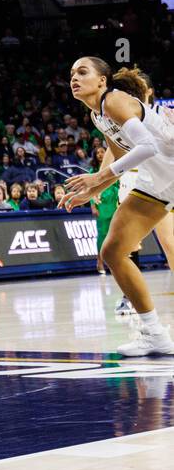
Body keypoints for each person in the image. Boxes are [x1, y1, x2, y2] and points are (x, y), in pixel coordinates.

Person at [61, 58, 174, 356]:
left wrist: (99, 177)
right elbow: (122, 159)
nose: (74, 77)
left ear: (102, 80)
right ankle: (154, 333)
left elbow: (147, 146)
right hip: (158, 181)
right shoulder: (97, 115)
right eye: (72, 73)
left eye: (82, 72)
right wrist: (92, 190)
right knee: (112, 251)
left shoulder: (114, 100)